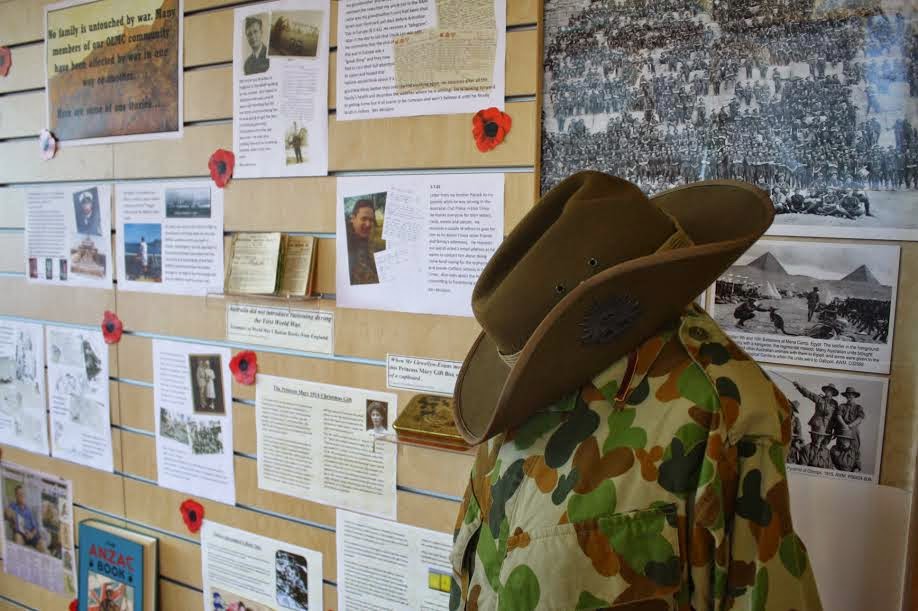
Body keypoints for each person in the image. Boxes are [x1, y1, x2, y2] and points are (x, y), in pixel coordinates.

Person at [794, 381, 838, 450]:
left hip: (828, 428)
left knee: (823, 447)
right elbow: (809, 394)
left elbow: (835, 417)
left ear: (833, 393)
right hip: (817, 426)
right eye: (827, 390)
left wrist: (836, 429)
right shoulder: (819, 399)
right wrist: (800, 387)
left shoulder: (835, 403)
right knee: (815, 445)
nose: (827, 392)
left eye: (830, 391)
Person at [346, 200, 379, 285]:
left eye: (371, 220)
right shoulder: (347, 247)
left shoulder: (366, 239)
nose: (368, 224)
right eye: (364, 219)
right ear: (353, 219)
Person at [4, 485, 45, 552]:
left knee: (42, 545)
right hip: (20, 534)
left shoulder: (28, 510)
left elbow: (35, 527)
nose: (22, 495)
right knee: (17, 537)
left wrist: (31, 534)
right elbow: (7, 514)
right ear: (16, 496)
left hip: (31, 534)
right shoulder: (13, 506)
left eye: (23, 493)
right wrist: (12, 519)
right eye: (19, 494)